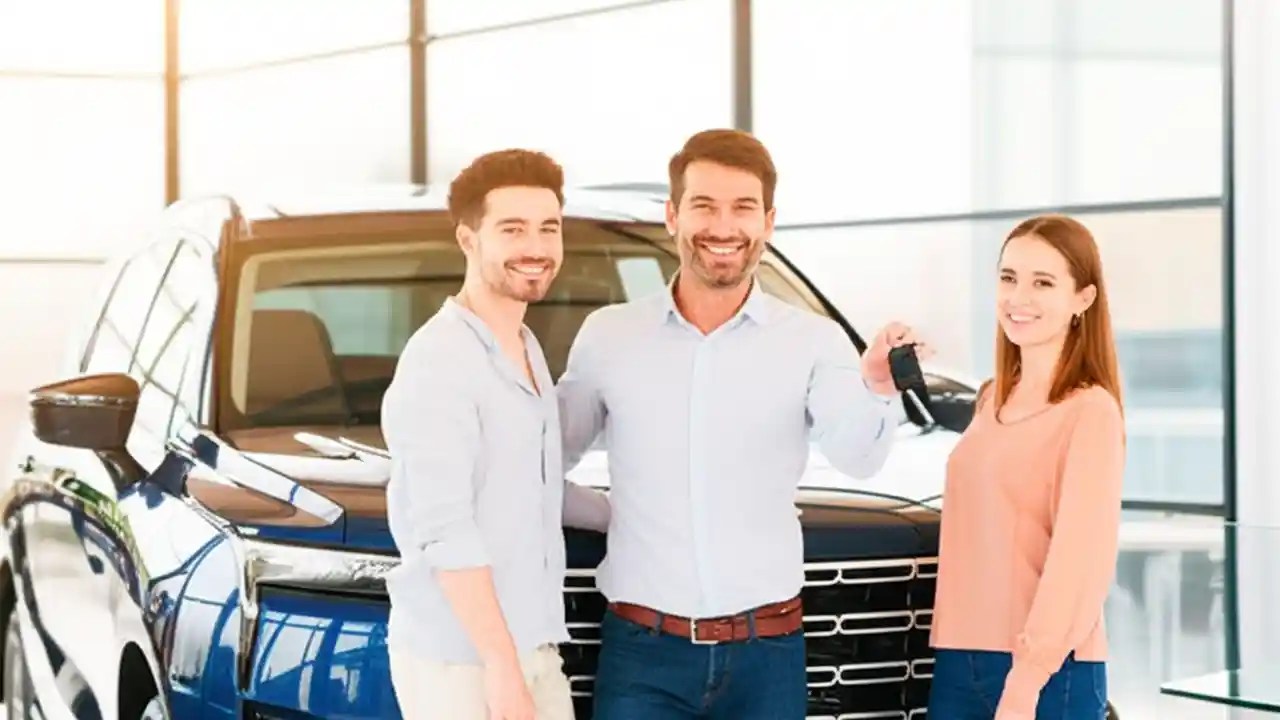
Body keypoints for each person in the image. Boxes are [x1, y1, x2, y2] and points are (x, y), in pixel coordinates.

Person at [556, 128, 930, 719]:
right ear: (673, 216)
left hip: (766, 657)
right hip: (642, 657)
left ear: (769, 221)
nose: (723, 227)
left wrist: (879, 386)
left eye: (742, 208)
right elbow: (543, 466)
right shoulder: (609, 337)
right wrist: (609, 511)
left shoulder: (811, 340)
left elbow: (860, 456)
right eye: (703, 206)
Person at [381, 148, 610, 720]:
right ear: (468, 240)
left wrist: (641, 513)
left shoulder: (527, 348)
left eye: (548, 228)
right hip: (462, 661)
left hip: (531, 644)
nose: (536, 247)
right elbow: (446, 531)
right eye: (513, 229)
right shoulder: (440, 360)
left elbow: (533, 489)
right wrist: (502, 668)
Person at [927, 214, 1125, 719]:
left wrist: (1027, 679)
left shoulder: (1090, 412)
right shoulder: (991, 400)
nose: (1019, 297)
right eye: (1009, 277)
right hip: (957, 659)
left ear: (1082, 298)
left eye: (1043, 282)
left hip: (1047, 671)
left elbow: (1080, 560)